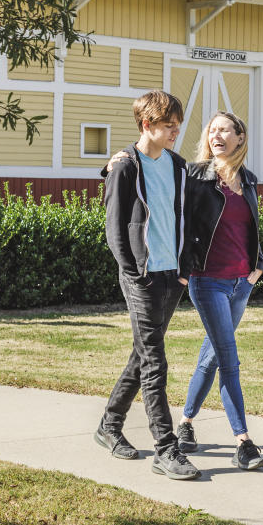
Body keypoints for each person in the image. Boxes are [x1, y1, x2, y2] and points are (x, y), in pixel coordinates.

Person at [95, 90, 200, 481]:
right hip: (142, 276)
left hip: (172, 275)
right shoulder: (125, 167)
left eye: (177, 125)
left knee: (143, 354)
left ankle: (109, 424)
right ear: (146, 124)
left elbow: (187, 218)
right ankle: (166, 448)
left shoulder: (178, 166)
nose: (175, 132)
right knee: (155, 360)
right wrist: (133, 271)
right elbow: (115, 229)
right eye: (168, 125)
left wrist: (185, 268)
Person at [176, 111, 263, 471]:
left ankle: (185, 423)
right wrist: (122, 157)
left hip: (241, 283)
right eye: (212, 130)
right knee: (229, 357)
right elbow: (179, 219)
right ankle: (244, 443)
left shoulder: (249, 180)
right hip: (208, 281)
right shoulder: (194, 176)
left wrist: (259, 265)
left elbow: (251, 228)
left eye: (224, 130)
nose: (217, 135)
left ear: (239, 137)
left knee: (212, 356)